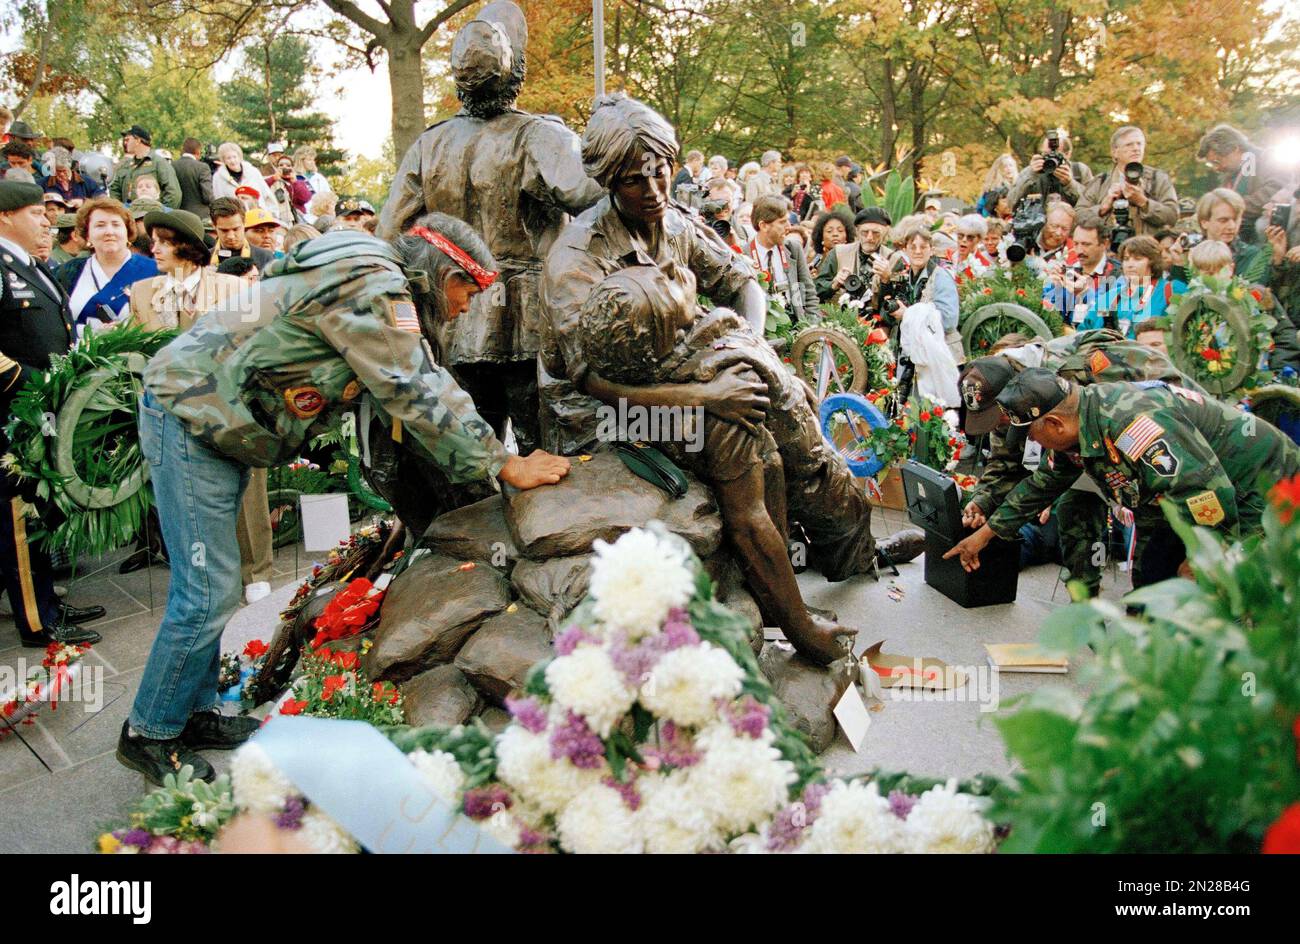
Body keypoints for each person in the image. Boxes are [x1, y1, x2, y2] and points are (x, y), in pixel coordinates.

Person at [118, 212, 572, 785]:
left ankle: (195, 711)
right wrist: (503, 462)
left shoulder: (373, 281)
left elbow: (423, 375)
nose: (465, 307)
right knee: (205, 589)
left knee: (218, 583)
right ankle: (150, 731)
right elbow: (412, 385)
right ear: (438, 270)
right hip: (190, 414)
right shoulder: (374, 286)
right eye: (466, 289)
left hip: (216, 417)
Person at [577, 265, 867, 664]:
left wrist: (782, 377)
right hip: (805, 472)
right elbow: (748, 520)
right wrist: (803, 629)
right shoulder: (728, 391)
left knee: (842, 525)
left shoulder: (688, 341)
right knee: (845, 516)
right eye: (663, 284)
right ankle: (855, 561)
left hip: (788, 453)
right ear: (671, 333)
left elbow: (591, 373)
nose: (667, 266)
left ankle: (865, 555)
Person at [378, 1, 603, 456]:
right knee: (547, 450)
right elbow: (594, 196)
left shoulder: (429, 144)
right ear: (515, 71)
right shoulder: (540, 135)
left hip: (452, 320)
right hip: (531, 324)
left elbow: (388, 235)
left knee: (470, 449)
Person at [947, 369, 1300, 587]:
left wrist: (1206, 557)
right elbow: (1042, 485)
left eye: (1032, 434)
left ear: (1054, 424)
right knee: (1150, 582)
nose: (1032, 442)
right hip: (1188, 495)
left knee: (1235, 586)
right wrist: (983, 536)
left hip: (1260, 484)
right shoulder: (1082, 423)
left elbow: (1205, 494)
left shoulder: (1134, 428)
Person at [954, 329, 1201, 594]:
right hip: (1089, 456)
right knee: (1075, 516)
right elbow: (1015, 465)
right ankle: (1086, 602)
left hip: (1158, 450)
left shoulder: (1077, 373)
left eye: (1001, 417)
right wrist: (984, 502)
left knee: (1155, 550)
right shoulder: (1004, 392)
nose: (1001, 424)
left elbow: (1171, 399)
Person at [0, 180, 105, 647]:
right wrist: (30, 384)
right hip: (12, 411)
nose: (46, 221)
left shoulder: (32, 266)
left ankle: (48, 600)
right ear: (5, 216)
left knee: (38, 509)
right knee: (18, 518)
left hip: (41, 410)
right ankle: (35, 619)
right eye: (34, 213)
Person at [53, 196, 157, 333]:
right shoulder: (66, 273)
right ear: (87, 234)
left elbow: (170, 326)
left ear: (127, 232)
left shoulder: (156, 271)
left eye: (116, 224)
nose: (109, 232)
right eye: (100, 225)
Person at [1076, 126, 1178, 239]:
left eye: (1139, 144)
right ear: (1115, 152)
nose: (1136, 148)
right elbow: (1078, 217)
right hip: (1109, 250)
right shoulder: (1101, 182)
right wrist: (1102, 208)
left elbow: (1172, 216)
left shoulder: (1158, 179)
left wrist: (1143, 202)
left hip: (1146, 251)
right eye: (1129, 145)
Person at [1197, 123, 1292, 241]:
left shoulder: (1268, 159)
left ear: (1235, 149)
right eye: (1211, 164)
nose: (1216, 168)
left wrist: (1232, 208)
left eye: (1217, 161)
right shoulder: (1229, 175)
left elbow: (1273, 191)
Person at [1077, 235, 1183, 336]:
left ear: (1153, 262)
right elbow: (1084, 332)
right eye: (1126, 259)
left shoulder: (1172, 291)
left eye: (1137, 259)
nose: (1130, 265)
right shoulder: (1110, 297)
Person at [747, 194, 818, 325]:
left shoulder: (793, 249)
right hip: (761, 331)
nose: (789, 227)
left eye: (788, 221)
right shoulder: (744, 255)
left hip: (796, 326)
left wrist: (811, 327)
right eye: (782, 222)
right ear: (763, 226)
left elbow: (809, 294)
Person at [1195, 187, 1286, 286]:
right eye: (1223, 220)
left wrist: (1278, 260)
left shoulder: (1252, 256)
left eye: (1236, 220)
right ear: (1204, 223)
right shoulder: (1189, 255)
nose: (1231, 226)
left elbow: (1263, 294)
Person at [1042, 212, 1114, 321]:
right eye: (1076, 244)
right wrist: (1052, 289)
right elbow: (1052, 316)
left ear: (1105, 244)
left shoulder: (1115, 273)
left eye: (1086, 244)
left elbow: (1107, 318)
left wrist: (1085, 295)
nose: (1079, 250)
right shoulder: (1069, 271)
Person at [815, 206, 892, 303]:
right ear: (857, 231)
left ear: (885, 232)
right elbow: (816, 290)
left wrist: (886, 280)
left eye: (876, 233)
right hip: (840, 316)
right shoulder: (839, 253)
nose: (869, 237)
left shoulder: (893, 258)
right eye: (865, 232)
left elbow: (899, 300)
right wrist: (834, 284)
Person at [1007, 130, 1085, 210]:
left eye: (1056, 155)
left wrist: (1070, 184)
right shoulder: (1031, 172)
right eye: (1046, 154)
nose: (1051, 159)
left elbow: (1090, 204)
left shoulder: (1079, 171)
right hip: (1038, 221)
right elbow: (1011, 204)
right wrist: (1031, 175)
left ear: (1068, 154)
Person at [108, 125, 180, 208]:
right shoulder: (126, 166)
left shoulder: (159, 163)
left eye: (128, 139)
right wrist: (121, 211)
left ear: (138, 140)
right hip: (130, 216)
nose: (125, 143)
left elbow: (173, 193)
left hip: (151, 216)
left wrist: (163, 213)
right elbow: (114, 190)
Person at [211, 142, 278, 217]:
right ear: (223, 160)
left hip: (259, 215)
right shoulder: (218, 177)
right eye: (228, 158)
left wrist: (273, 214)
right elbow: (219, 201)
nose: (232, 161)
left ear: (239, 157)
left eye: (234, 157)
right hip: (235, 218)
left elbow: (267, 194)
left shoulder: (253, 172)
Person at [208, 196, 274, 270]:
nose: (231, 236)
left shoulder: (264, 257)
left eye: (236, 229)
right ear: (214, 226)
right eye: (224, 230)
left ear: (244, 223)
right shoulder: (205, 258)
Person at [944, 213, 993, 283]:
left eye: (970, 237)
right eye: (960, 236)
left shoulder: (985, 266)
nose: (964, 240)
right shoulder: (946, 257)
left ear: (979, 239)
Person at [809, 206, 854, 278]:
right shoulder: (815, 261)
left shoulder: (854, 259)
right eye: (829, 231)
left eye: (840, 231)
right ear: (821, 237)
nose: (835, 234)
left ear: (847, 236)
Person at [173, 137, 213, 217]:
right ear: (198, 151)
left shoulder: (172, 165)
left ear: (183, 150)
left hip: (177, 214)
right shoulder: (202, 167)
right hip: (200, 215)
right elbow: (207, 196)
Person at [266, 152, 309, 224]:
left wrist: (294, 182)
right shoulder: (272, 180)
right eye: (281, 165)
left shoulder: (299, 182)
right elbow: (261, 189)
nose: (284, 167)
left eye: (288, 165)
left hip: (296, 219)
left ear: (292, 168)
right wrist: (273, 179)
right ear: (277, 168)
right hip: (277, 217)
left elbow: (304, 199)